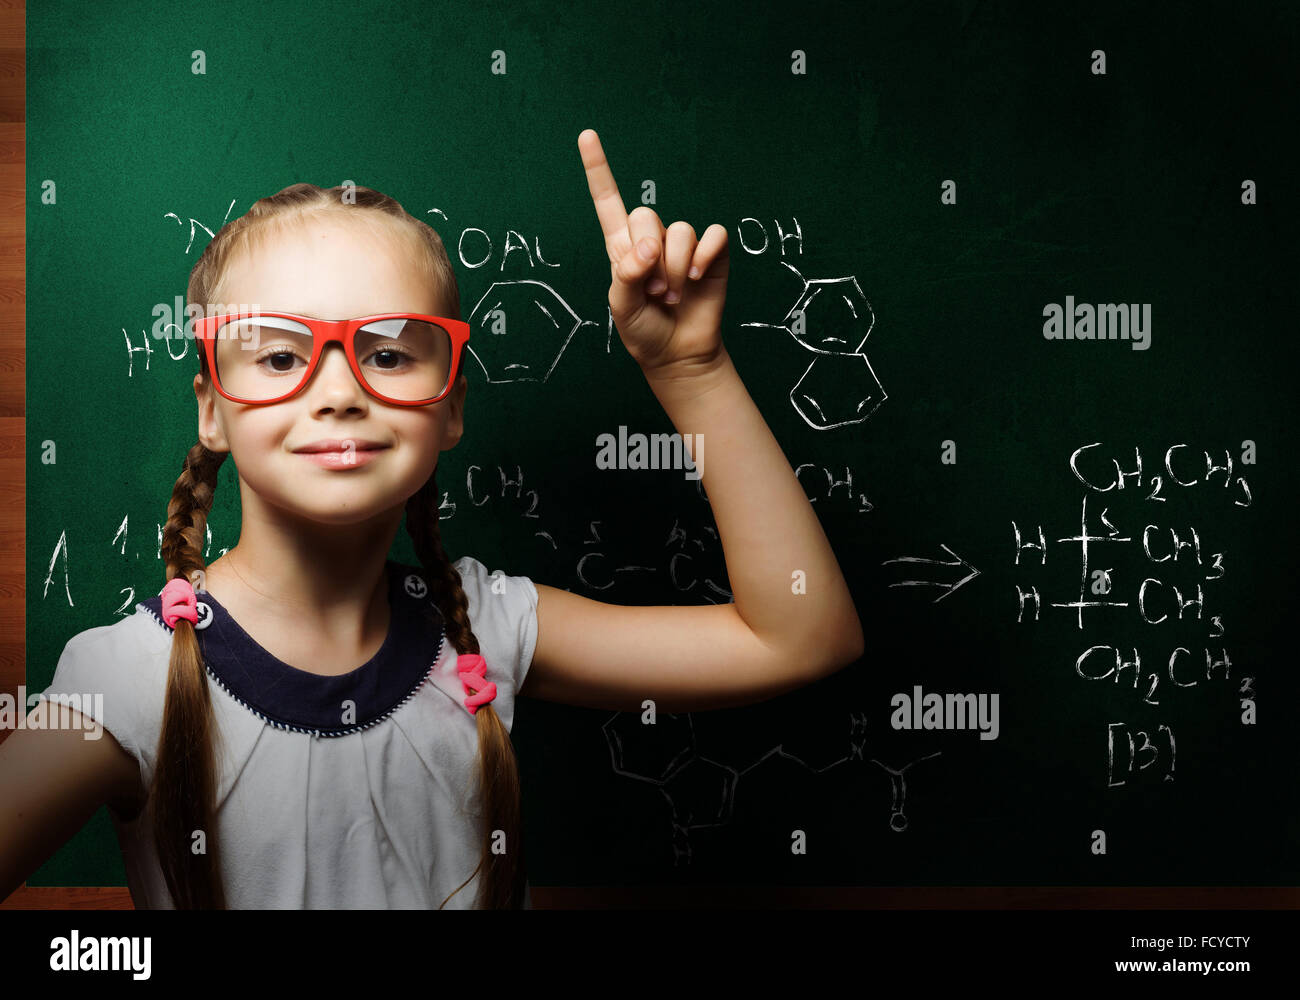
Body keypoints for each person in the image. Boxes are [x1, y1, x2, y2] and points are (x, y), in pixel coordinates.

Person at [0, 129, 864, 909]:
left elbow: (799, 637)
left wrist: (693, 371)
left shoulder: (487, 627)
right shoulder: (124, 680)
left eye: (387, 352)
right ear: (213, 410)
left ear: (450, 408)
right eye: (275, 353)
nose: (337, 392)